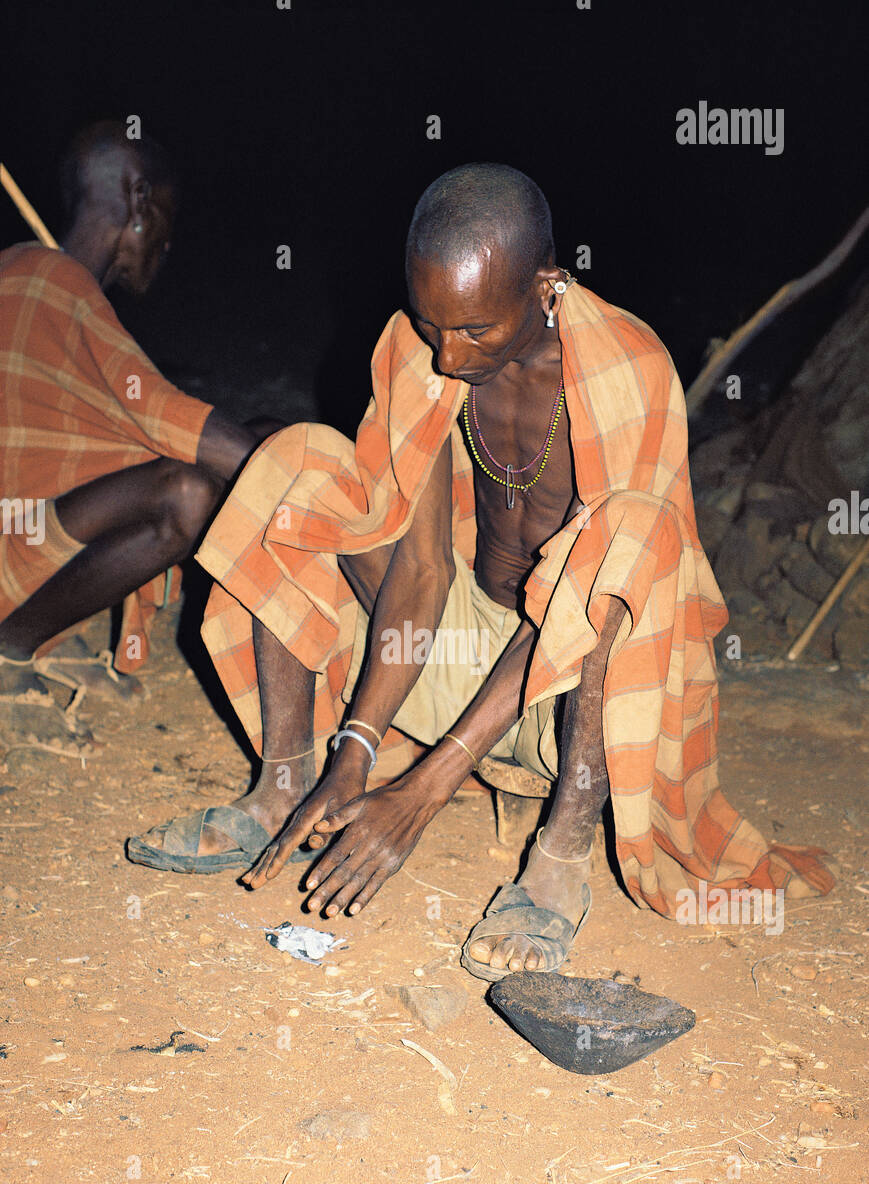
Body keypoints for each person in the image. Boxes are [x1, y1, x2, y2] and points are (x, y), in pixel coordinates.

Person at [128, 163, 833, 979]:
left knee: (629, 533)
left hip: (580, 699)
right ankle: (283, 784)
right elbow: (421, 570)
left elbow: (583, 608)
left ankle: (560, 862)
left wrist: (426, 789)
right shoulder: (419, 348)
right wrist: (355, 749)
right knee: (299, 460)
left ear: (545, 285)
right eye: (433, 325)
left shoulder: (625, 370)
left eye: (474, 331)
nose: (449, 355)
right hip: (454, 660)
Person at [0, 121, 258, 748]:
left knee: (216, 462)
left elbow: (114, 435)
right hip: (11, 537)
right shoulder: (42, 276)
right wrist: (292, 471)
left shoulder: (55, 285)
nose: (166, 247)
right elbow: (161, 417)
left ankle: (46, 630)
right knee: (189, 494)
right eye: (167, 221)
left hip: (27, 528)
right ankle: (8, 652)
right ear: (139, 200)